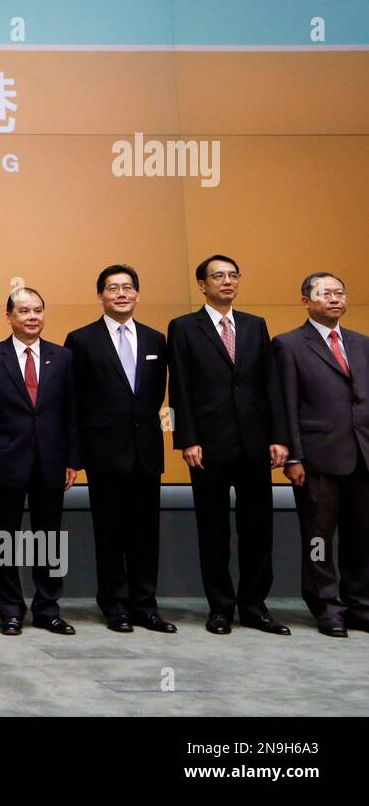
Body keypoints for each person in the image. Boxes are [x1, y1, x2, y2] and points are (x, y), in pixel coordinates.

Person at [167, 255, 290, 635]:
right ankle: (220, 607)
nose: (227, 282)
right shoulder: (185, 327)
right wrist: (188, 439)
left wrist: (278, 436)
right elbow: (181, 387)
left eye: (233, 275)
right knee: (214, 530)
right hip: (208, 447)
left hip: (255, 444)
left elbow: (270, 384)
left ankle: (254, 605)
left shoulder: (255, 326)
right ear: (202, 285)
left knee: (258, 530)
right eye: (218, 276)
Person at [64, 265, 176, 634]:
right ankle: (114, 605)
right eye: (113, 288)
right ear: (101, 296)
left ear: (138, 294)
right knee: (110, 533)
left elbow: (155, 396)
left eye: (128, 287)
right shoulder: (81, 340)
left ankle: (145, 604)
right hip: (103, 451)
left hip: (146, 450)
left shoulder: (156, 339)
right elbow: (74, 402)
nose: (122, 293)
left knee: (147, 533)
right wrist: (75, 456)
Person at [0, 287, 81, 636]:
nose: (32, 317)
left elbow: (71, 413)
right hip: (5, 461)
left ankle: (48, 609)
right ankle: (10, 610)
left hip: (51, 462)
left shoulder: (62, 356)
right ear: (9, 317)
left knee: (48, 537)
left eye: (37, 310)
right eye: (24, 311)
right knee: (5, 538)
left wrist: (72, 460)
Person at [273, 273, 369, 637]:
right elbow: (287, 403)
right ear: (306, 300)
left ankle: (359, 604)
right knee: (318, 538)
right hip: (316, 459)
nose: (334, 299)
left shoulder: (362, 344)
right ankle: (326, 605)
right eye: (325, 293)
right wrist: (294, 456)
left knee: (361, 536)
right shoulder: (290, 344)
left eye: (339, 293)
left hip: (362, 456)